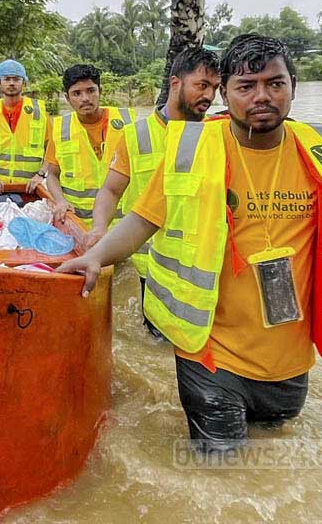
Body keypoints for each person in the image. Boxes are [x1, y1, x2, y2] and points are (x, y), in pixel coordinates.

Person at [58, 34, 322, 451]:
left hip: (291, 360)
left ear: (293, 86)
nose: (262, 95)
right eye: (246, 86)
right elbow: (141, 221)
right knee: (221, 474)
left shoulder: (321, 150)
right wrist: (94, 256)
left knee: (272, 464)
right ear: (225, 93)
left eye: (275, 83)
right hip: (210, 359)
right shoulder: (190, 150)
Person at [85, 49, 221, 340]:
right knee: (160, 343)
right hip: (155, 271)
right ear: (175, 83)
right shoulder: (137, 135)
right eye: (201, 85)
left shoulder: (219, 134)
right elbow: (110, 190)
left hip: (207, 270)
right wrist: (99, 227)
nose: (209, 95)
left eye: (214, 88)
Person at [43, 64, 141, 226]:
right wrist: (60, 201)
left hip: (121, 226)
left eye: (90, 90)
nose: (85, 98)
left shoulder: (128, 122)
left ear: (99, 91)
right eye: (77, 93)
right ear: (67, 98)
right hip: (79, 222)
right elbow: (52, 175)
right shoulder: (61, 129)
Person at [0, 59, 51, 193]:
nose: (11, 83)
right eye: (7, 79)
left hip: (30, 188)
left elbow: (51, 146)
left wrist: (40, 175)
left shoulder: (38, 110)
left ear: (24, 83)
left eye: (16, 79)